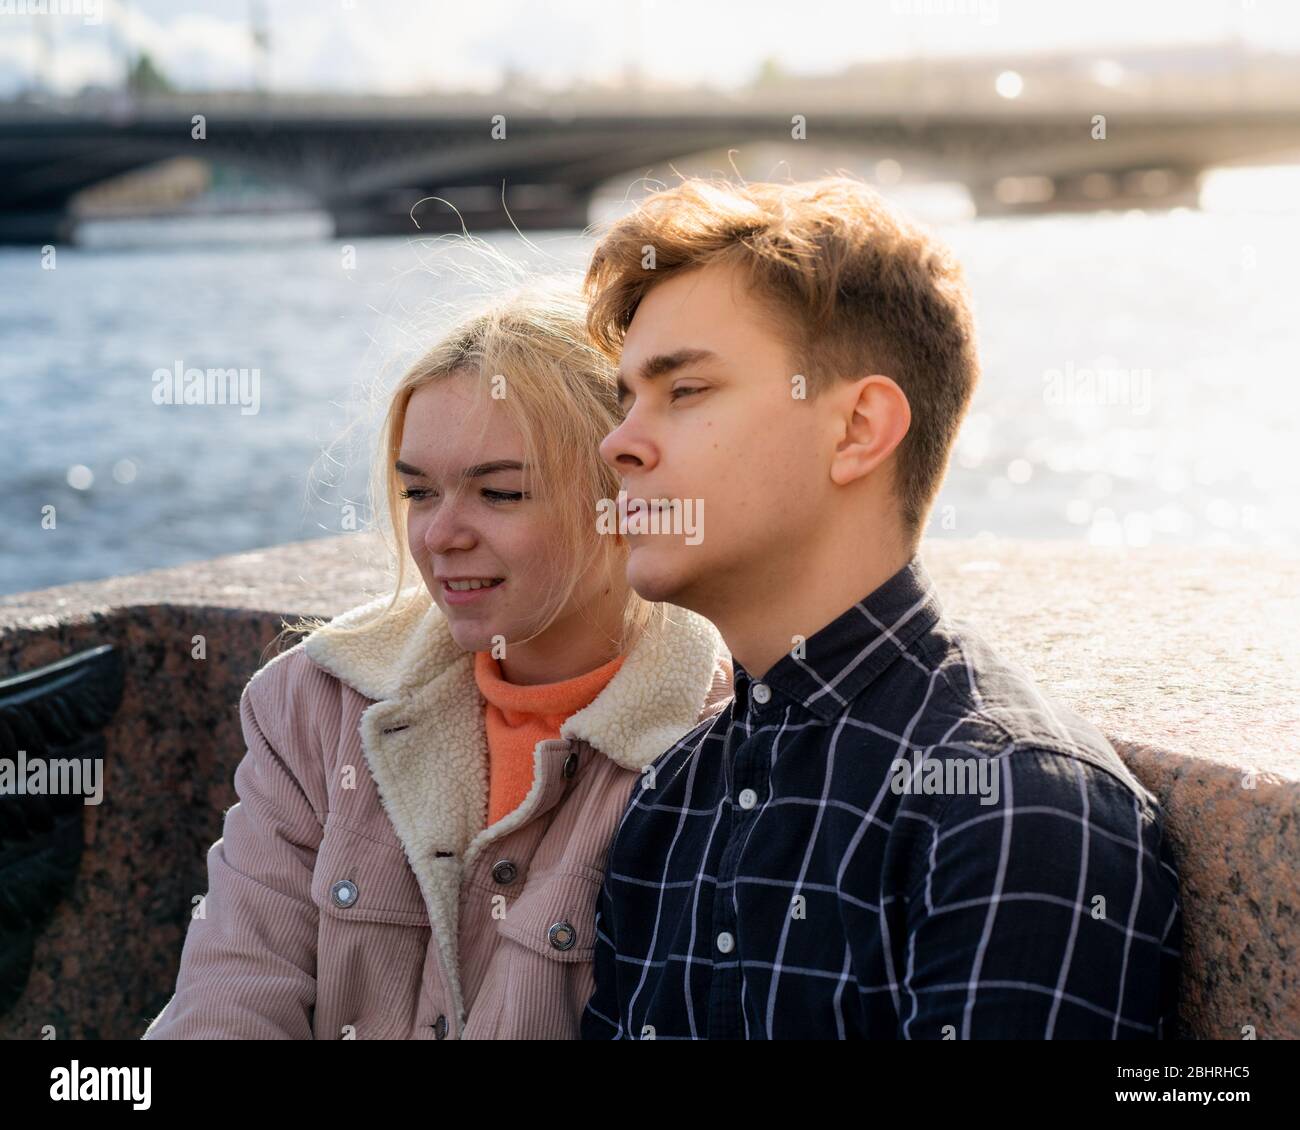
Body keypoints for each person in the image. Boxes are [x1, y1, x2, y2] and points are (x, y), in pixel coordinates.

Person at [580, 176, 1182, 1039]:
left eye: (684, 391)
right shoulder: (673, 795)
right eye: (626, 399)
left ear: (860, 429)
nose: (619, 442)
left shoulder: (1008, 808)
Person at [142, 279, 730, 1040]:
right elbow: (231, 995)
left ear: (622, 496)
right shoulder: (316, 704)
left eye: (501, 493)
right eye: (419, 492)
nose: (440, 536)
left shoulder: (720, 747)